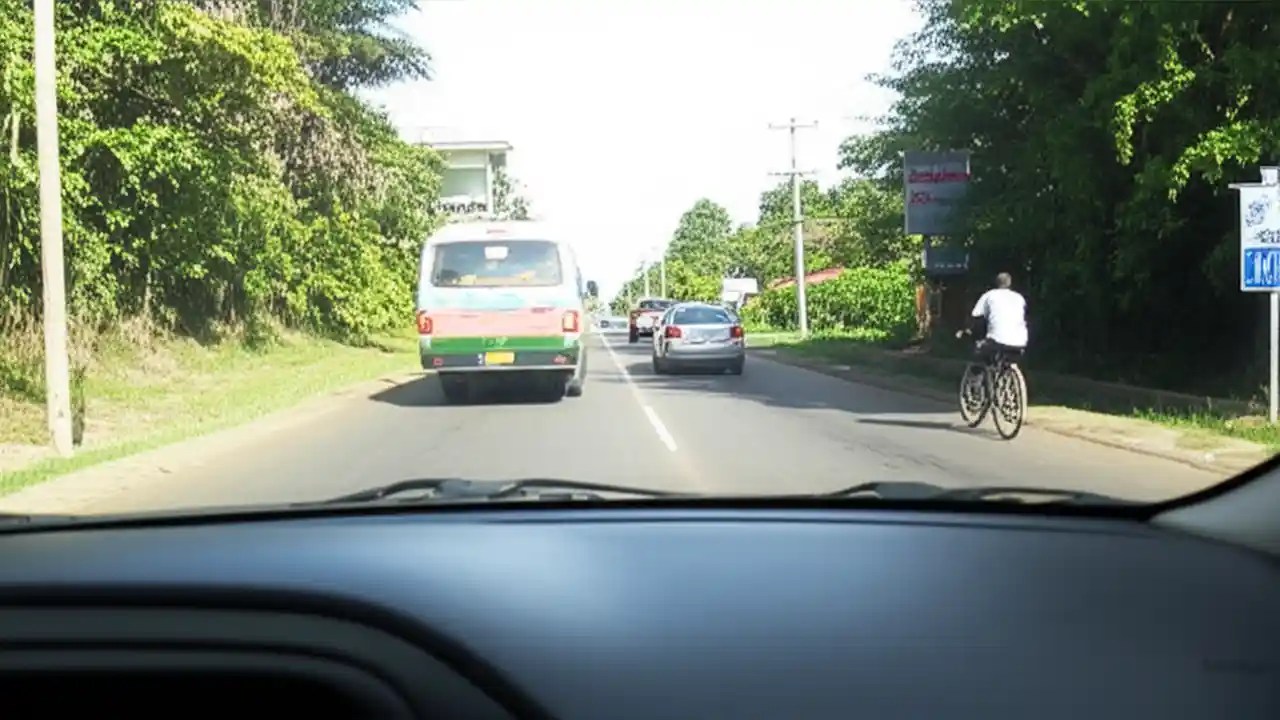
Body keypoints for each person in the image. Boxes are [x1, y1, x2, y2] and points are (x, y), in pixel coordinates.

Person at [957, 272, 1028, 363]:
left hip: (996, 341)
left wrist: (966, 330)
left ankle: (978, 374)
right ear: (1010, 283)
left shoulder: (989, 295)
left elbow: (975, 317)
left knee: (980, 353)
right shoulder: (1019, 298)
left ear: (996, 283)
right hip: (1020, 343)